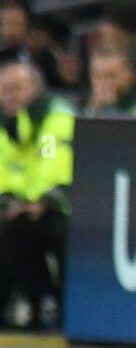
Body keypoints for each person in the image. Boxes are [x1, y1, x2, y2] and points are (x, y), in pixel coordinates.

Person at [0, 56, 74, 329]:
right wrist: (9, 202)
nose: (10, 96)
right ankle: (37, 303)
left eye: (18, 88)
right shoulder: (8, 125)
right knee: (10, 229)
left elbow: (55, 163)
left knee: (51, 230)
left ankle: (57, 303)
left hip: (61, 205)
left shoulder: (56, 116)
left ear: (37, 88)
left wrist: (43, 201)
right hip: (19, 208)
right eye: (5, 90)